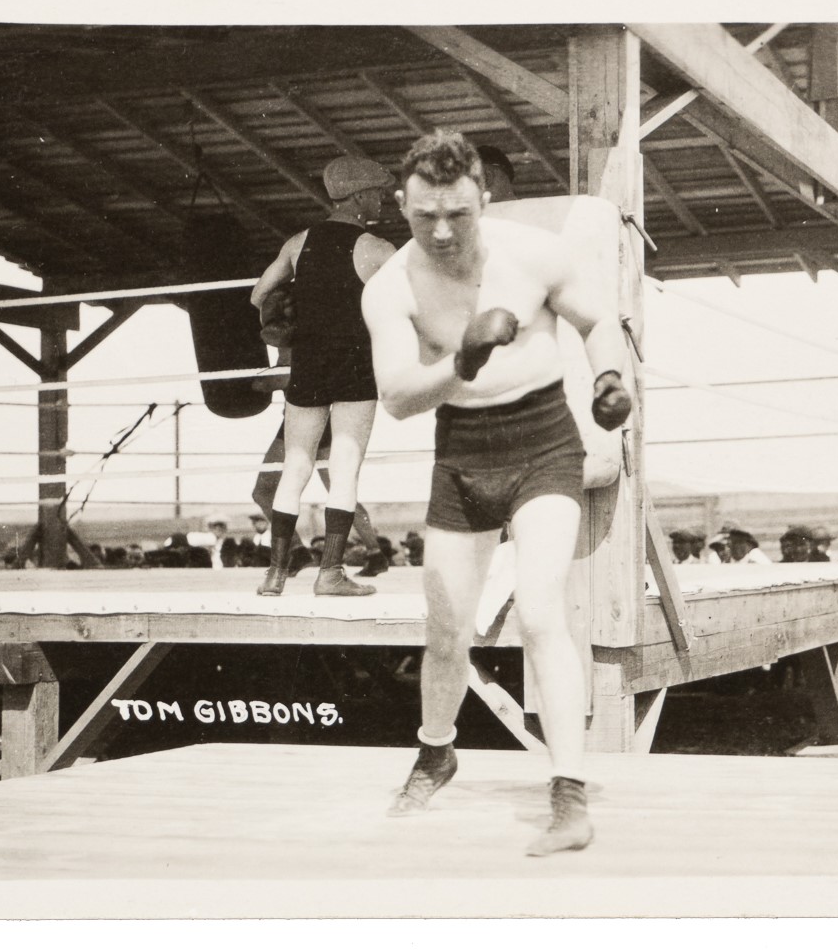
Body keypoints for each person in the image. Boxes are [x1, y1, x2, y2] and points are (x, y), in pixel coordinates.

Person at [361, 127, 631, 856]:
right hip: (461, 454)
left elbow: (599, 320)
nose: (443, 231)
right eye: (424, 217)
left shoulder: (535, 254)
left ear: (484, 197)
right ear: (401, 205)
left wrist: (609, 378)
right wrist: (466, 357)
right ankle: (436, 751)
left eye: (459, 213)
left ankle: (569, 794)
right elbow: (395, 397)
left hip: (544, 443)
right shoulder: (391, 287)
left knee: (542, 610)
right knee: (448, 629)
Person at [249, 155, 398, 597]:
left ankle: (275, 574)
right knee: (345, 469)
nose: (382, 199)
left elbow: (260, 295)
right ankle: (330, 574)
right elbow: (406, 308)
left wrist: (298, 308)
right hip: (354, 365)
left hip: (307, 365)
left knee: (295, 466)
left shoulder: (299, 242)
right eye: (375, 192)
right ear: (357, 196)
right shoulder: (378, 249)